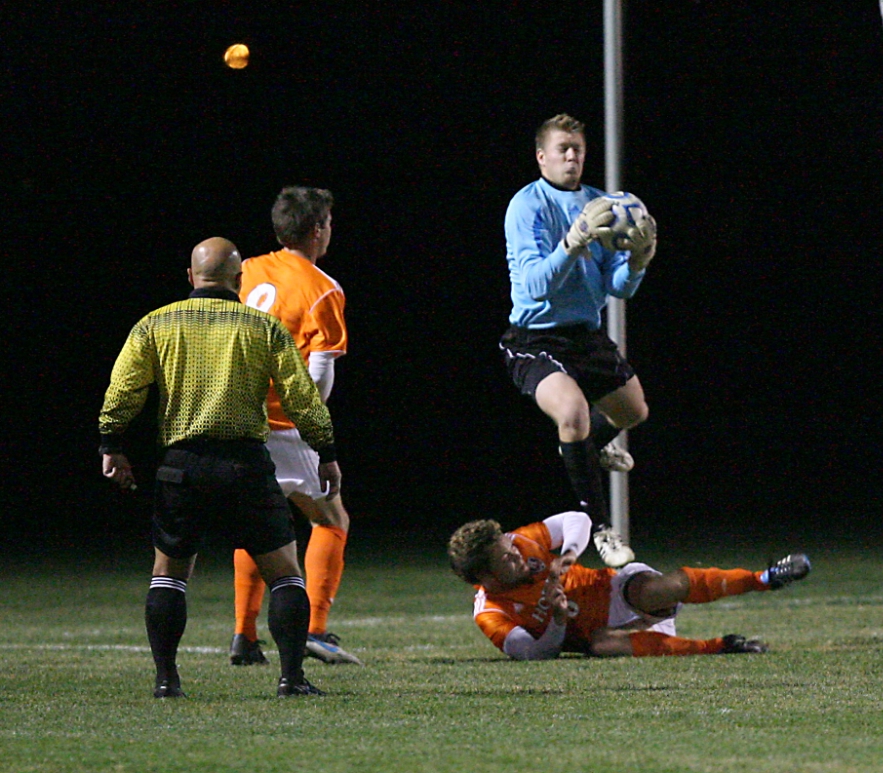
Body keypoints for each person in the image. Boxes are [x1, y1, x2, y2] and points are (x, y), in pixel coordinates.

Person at [99, 237, 338, 698]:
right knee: (286, 574)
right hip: (245, 465)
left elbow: (123, 390)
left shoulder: (156, 324)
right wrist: (324, 451)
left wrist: (112, 444)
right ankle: (291, 678)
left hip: (182, 467)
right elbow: (302, 398)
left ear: (191, 277)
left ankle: (167, 680)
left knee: (168, 574)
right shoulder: (263, 328)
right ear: (239, 279)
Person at [500, 114, 658, 569]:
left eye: (579, 150)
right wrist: (571, 242)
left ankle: (584, 447)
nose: (572, 156)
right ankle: (603, 529)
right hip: (534, 336)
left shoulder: (600, 203)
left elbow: (619, 287)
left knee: (634, 411)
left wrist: (640, 259)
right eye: (563, 149)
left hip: (585, 334)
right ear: (541, 156)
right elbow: (535, 286)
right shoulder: (526, 206)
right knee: (571, 413)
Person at [230, 186, 362, 667]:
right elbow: (320, 374)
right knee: (330, 517)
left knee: (257, 521)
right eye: (328, 222)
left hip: (237, 416)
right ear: (317, 229)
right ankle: (315, 628)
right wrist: (310, 428)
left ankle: (245, 636)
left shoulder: (247, 270)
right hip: (283, 422)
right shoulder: (322, 287)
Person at [447, 512, 810, 660]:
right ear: (486, 579)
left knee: (653, 591)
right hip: (605, 634)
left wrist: (570, 554)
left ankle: (765, 579)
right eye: (507, 561)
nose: (518, 556)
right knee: (602, 645)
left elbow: (578, 519)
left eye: (512, 548)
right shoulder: (491, 615)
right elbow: (535, 654)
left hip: (619, 592)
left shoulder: (520, 542)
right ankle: (723, 647)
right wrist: (557, 620)